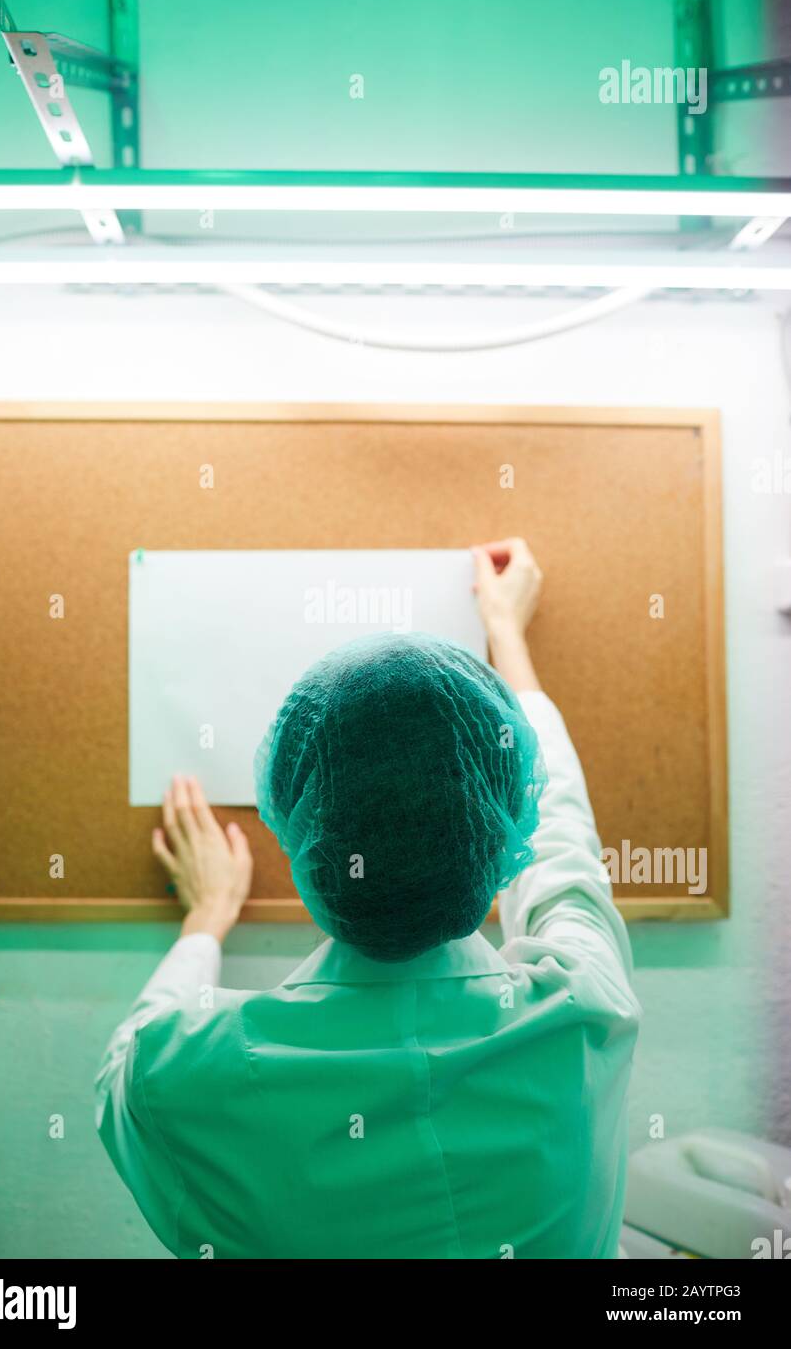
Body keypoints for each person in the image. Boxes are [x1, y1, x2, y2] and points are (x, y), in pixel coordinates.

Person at [95, 538, 641, 1259]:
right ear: (506, 820)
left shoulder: (185, 1078)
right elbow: (564, 844)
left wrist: (205, 921)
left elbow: (129, 1063)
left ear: (297, 826)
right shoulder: (587, 1012)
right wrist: (504, 631)